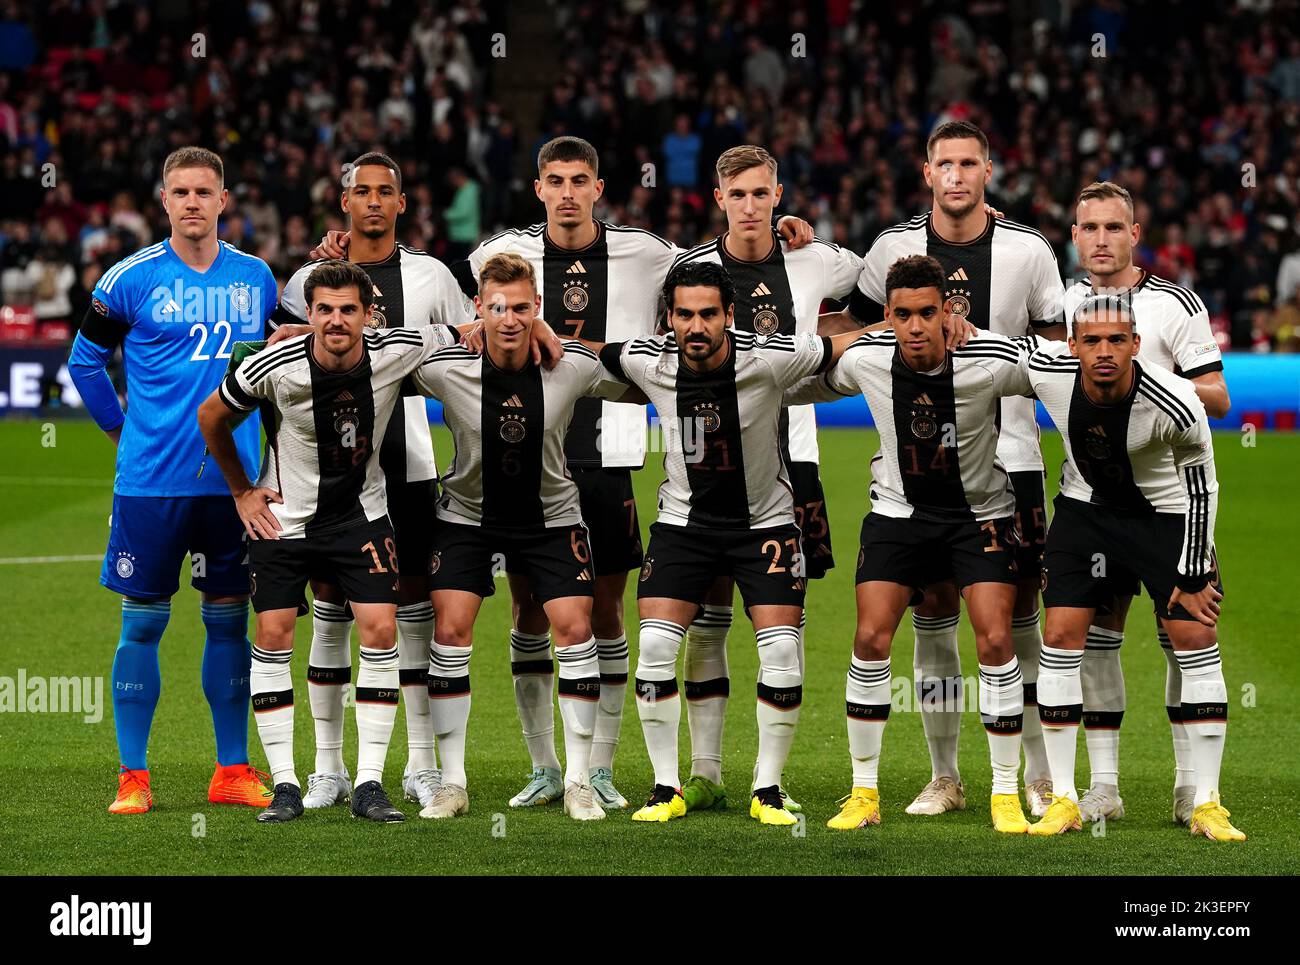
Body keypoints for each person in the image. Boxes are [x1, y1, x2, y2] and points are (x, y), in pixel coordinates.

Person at [591, 260, 869, 825]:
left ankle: (766, 788)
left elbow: (838, 346)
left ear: (729, 316)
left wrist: (904, 326)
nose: (697, 327)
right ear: (669, 318)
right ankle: (666, 786)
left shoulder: (770, 357)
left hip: (764, 524)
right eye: (685, 315)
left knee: (782, 652)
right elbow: (593, 351)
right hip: (682, 524)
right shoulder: (650, 359)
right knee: (655, 651)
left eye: (709, 315)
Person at [841, 120, 1065, 817]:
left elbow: (1057, 356)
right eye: (947, 163)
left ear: (989, 170)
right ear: (928, 170)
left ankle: (1037, 774)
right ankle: (945, 774)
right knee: (930, 616)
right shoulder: (893, 249)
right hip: (914, 471)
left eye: (971, 162)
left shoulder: (1028, 249)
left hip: (1012, 464)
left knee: (1015, 620)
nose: (958, 175)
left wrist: (981, 340)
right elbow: (843, 334)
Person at [197, 260, 460, 824]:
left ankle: (367, 782)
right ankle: (288, 784)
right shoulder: (274, 366)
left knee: (382, 630)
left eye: (348, 310)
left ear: (369, 314)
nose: (336, 320)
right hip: (283, 522)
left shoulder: (396, 350)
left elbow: (470, 328)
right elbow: (211, 416)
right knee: (272, 635)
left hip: (361, 519)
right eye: (324, 310)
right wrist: (242, 491)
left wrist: (528, 325)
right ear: (308, 313)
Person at [788, 255, 1035, 834]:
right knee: (871, 637)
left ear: (950, 313)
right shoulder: (868, 360)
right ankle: (865, 792)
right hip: (898, 517)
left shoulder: (991, 360)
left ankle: (1005, 792)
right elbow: (794, 381)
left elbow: (1062, 373)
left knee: (997, 639)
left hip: (980, 516)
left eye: (928, 312)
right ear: (889, 318)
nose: (917, 325)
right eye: (903, 314)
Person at [68, 146, 277, 815]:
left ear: (224, 200)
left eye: (204, 192)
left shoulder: (257, 278)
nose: (192, 203)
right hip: (151, 483)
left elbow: (276, 369)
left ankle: (232, 769)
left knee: (228, 625)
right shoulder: (129, 278)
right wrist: (119, 433)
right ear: (164, 201)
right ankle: (134, 776)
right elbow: (84, 362)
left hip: (234, 485)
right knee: (141, 626)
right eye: (180, 192)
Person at [266, 152, 473, 812]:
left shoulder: (432, 275)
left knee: (408, 613)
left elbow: (468, 344)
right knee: (330, 612)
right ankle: (327, 768)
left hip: (406, 463)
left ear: (402, 203)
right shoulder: (307, 279)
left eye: (388, 191)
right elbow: (277, 363)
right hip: (327, 478)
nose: (375, 202)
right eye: (364, 192)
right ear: (345, 201)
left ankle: (414, 763)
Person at [409, 252, 644, 822]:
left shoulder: (573, 366)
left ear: (537, 307)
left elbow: (645, 376)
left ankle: (580, 780)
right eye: (496, 307)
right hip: (466, 516)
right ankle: (453, 782)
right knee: (451, 629)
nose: (508, 318)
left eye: (520, 307)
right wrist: (450, 330)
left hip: (553, 518)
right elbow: (379, 343)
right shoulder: (444, 365)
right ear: (478, 308)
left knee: (575, 628)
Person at [666, 144, 866, 813]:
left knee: (784, 615)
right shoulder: (689, 270)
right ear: (717, 199)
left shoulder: (821, 260)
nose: (751, 205)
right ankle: (706, 770)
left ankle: (768, 776)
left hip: (794, 460)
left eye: (761, 192)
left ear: (778, 195)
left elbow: (874, 300)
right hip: (706, 461)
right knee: (706, 617)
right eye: (738, 194)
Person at [1022, 295, 1243, 842]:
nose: (1104, 352)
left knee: (1195, 633)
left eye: (1117, 340)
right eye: (1091, 341)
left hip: (1165, 516)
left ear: (1137, 346)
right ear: (1070, 346)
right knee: (1061, 635)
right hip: (1085, 513)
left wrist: (1192, 577)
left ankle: (1207, 801)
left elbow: (1203, 489)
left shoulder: (1177, 402)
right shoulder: (1047, 369)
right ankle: (1071, 799)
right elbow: (997, 346)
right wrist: (953, 324)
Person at [1062, 181, 1231, 825]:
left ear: (1135, 234)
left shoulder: (1174, 303)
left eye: (1113, 227)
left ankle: (1192, 786)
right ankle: (1104, 786)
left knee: (1183, 633)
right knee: (1098, 639)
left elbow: (1217, 398)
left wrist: (1143, 381)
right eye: (1089, 228)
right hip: (1092, 501)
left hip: (1169, 504)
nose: (1101, 239)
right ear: (1074, 236)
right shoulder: (1060, 304)